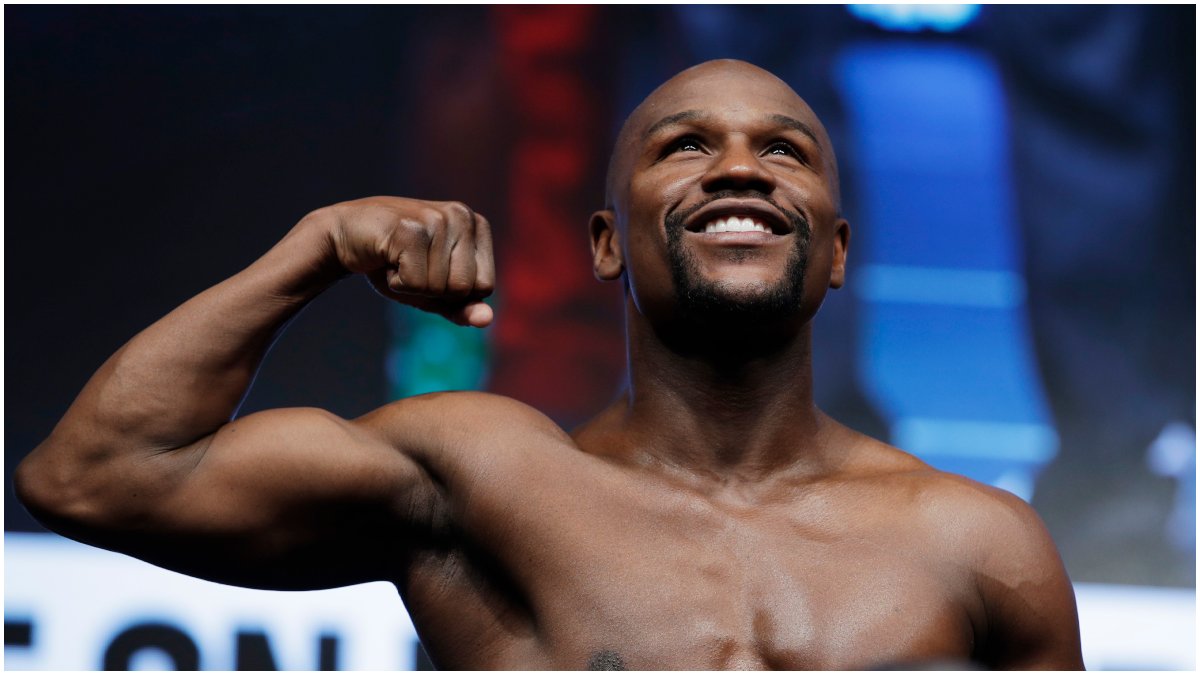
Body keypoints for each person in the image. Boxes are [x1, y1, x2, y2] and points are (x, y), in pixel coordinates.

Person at [15, 59, 1084, 670]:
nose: (739, 170)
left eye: (784, 151)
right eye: (684, 147)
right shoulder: (484, 483)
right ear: (607, 244)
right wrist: (318, 249)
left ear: (837, 250)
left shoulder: (976, 543)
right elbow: (99, 475)